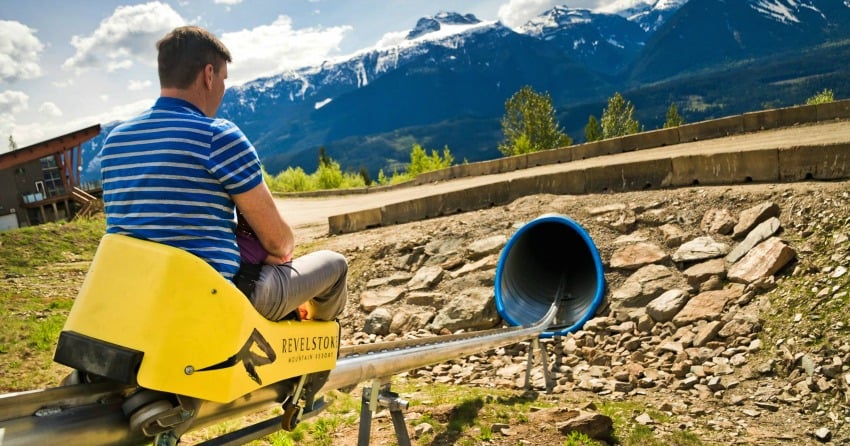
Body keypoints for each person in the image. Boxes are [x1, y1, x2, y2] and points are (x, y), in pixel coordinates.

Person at [100, 25, 347, 322]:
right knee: (335, 265)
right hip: (212, 299)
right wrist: (267, 250)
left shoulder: (115, 141)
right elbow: (279, 243)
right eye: (223, 79)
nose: (222, 89)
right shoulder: (216, 136)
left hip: (137, 296)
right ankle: (312, 366)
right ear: (208, 75)